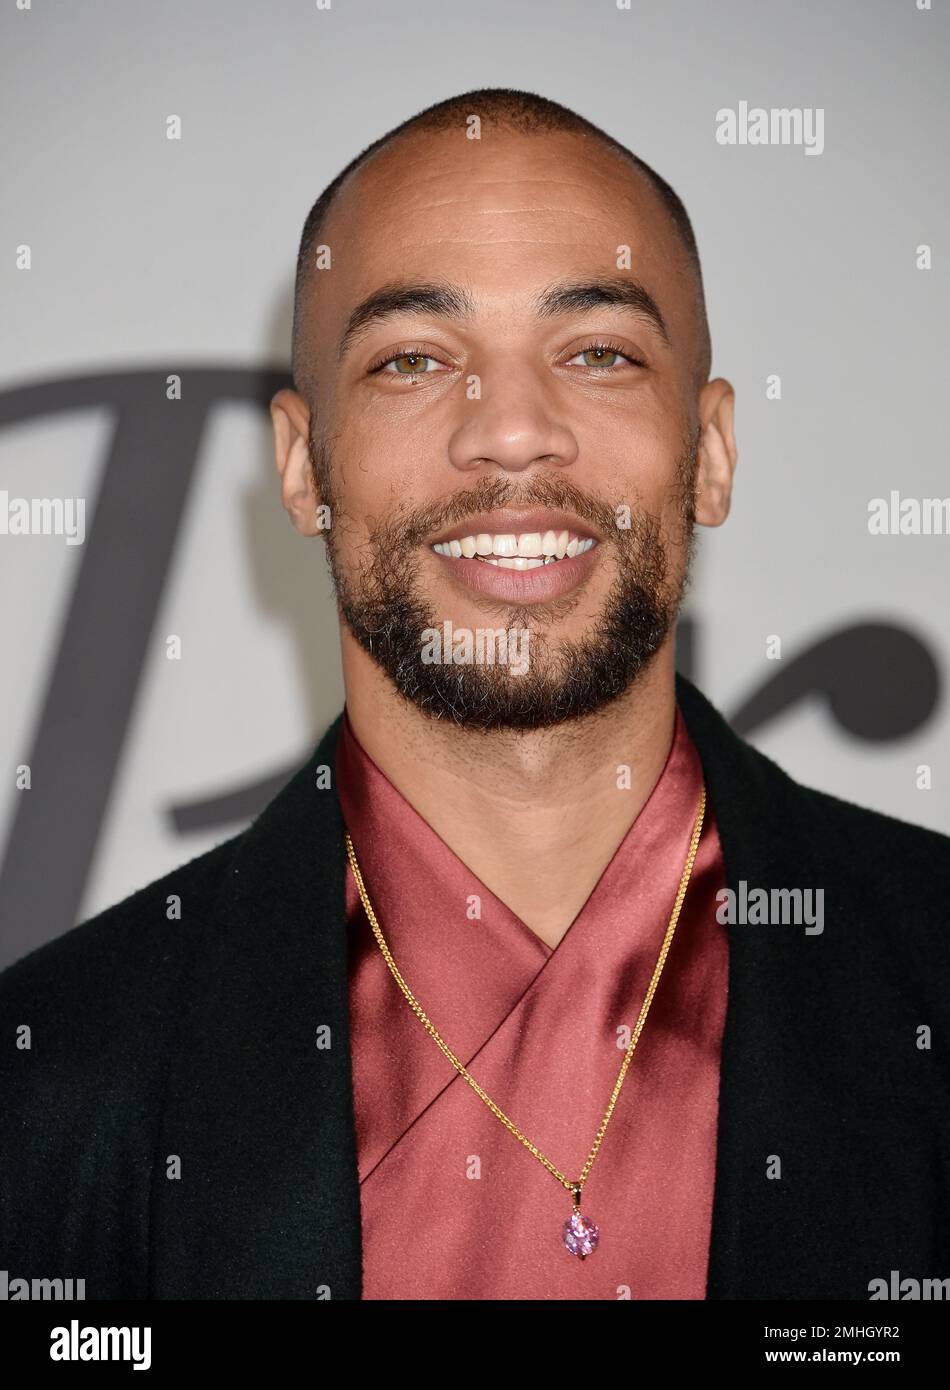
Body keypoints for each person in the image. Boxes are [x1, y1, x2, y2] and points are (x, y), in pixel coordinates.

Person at [2, 88, 948, 1302]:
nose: (510, 432)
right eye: (413, 360)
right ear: (302, 466)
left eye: (597, 352)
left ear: (707, 453)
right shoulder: (47, 1086)